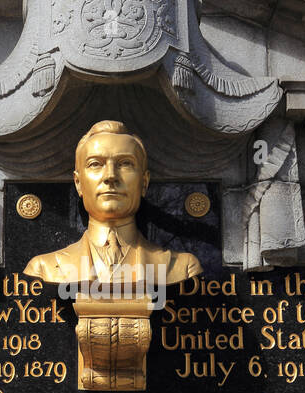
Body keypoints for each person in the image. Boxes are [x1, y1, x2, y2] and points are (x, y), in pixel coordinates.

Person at [23, 120, 201, 287]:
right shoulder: (44, 267)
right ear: (78, 183)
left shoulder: (182, 266)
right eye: (95, 164)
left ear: (144, 183)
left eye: (125, 164)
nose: (110, 176)